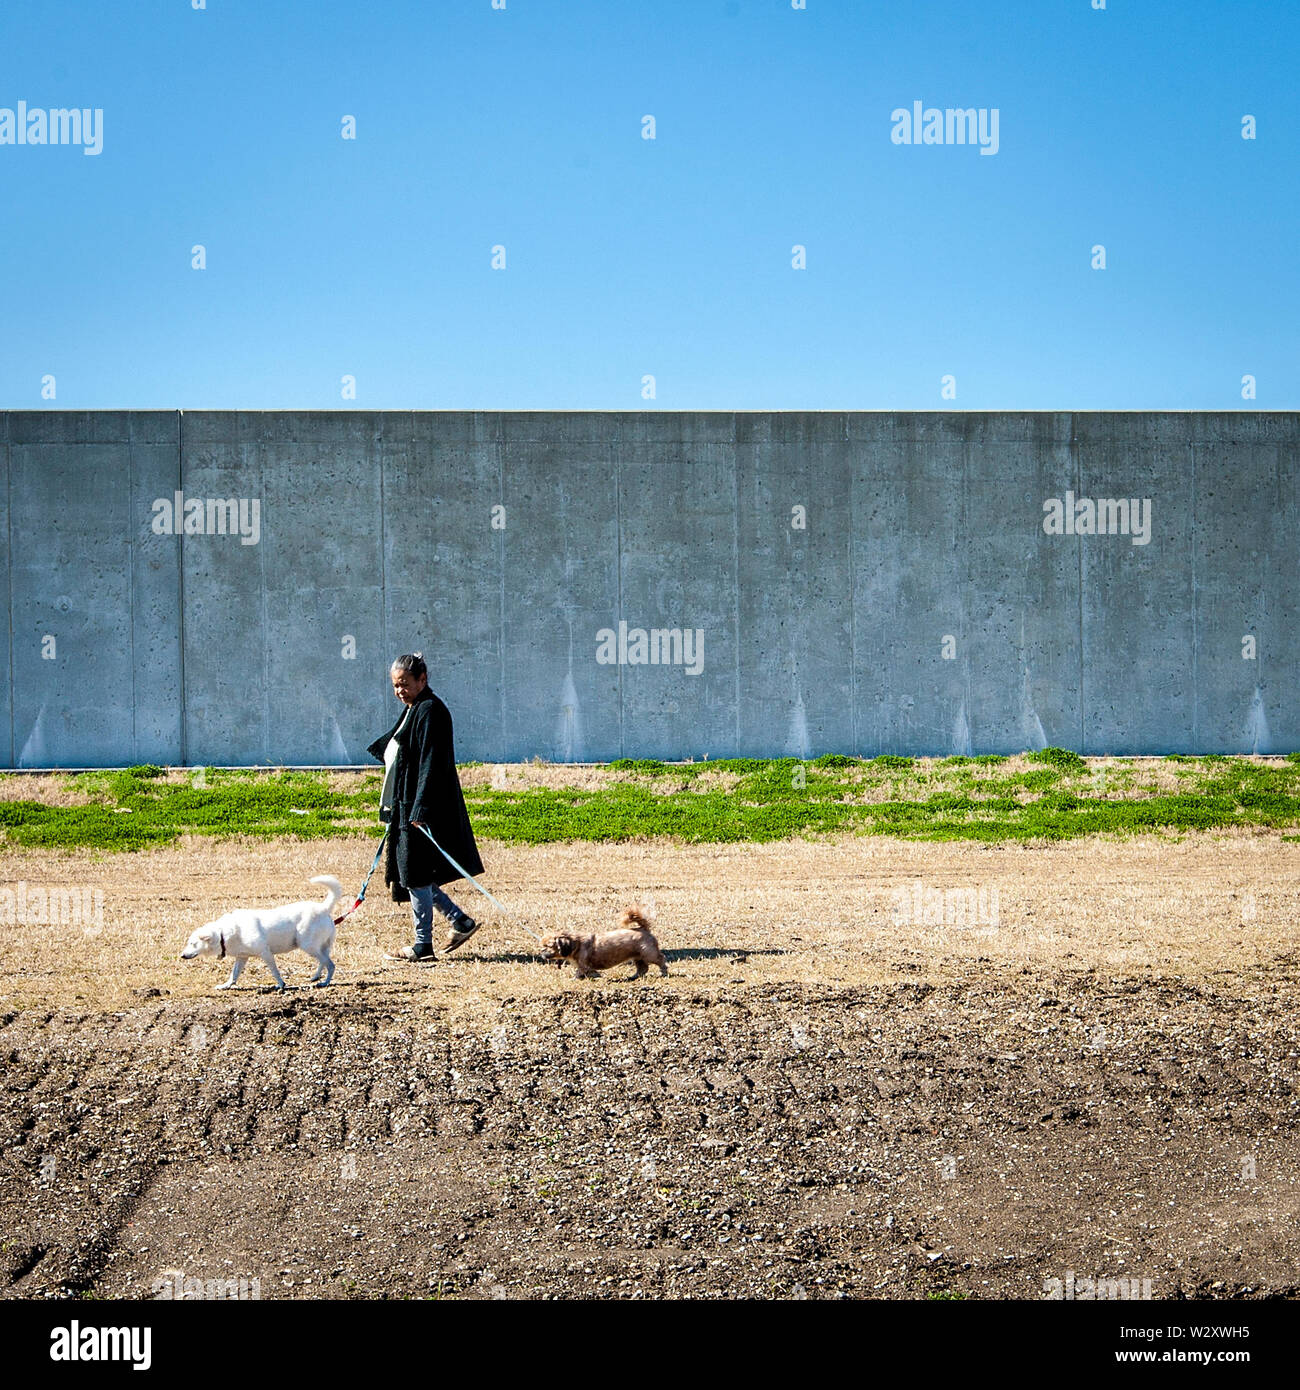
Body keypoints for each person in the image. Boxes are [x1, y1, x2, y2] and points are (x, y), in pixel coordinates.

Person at [367, 653, 485, 963]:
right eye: (395, 686)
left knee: (415, 873)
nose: (400, 691)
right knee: (412, 871)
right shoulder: (414, 708)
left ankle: (422, 945)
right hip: (405, 803)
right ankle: (459, 920)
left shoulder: (431, 711)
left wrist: (420, 809)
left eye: (405, 684)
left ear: (423, 679)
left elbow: (432, 764)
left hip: (419, 808)